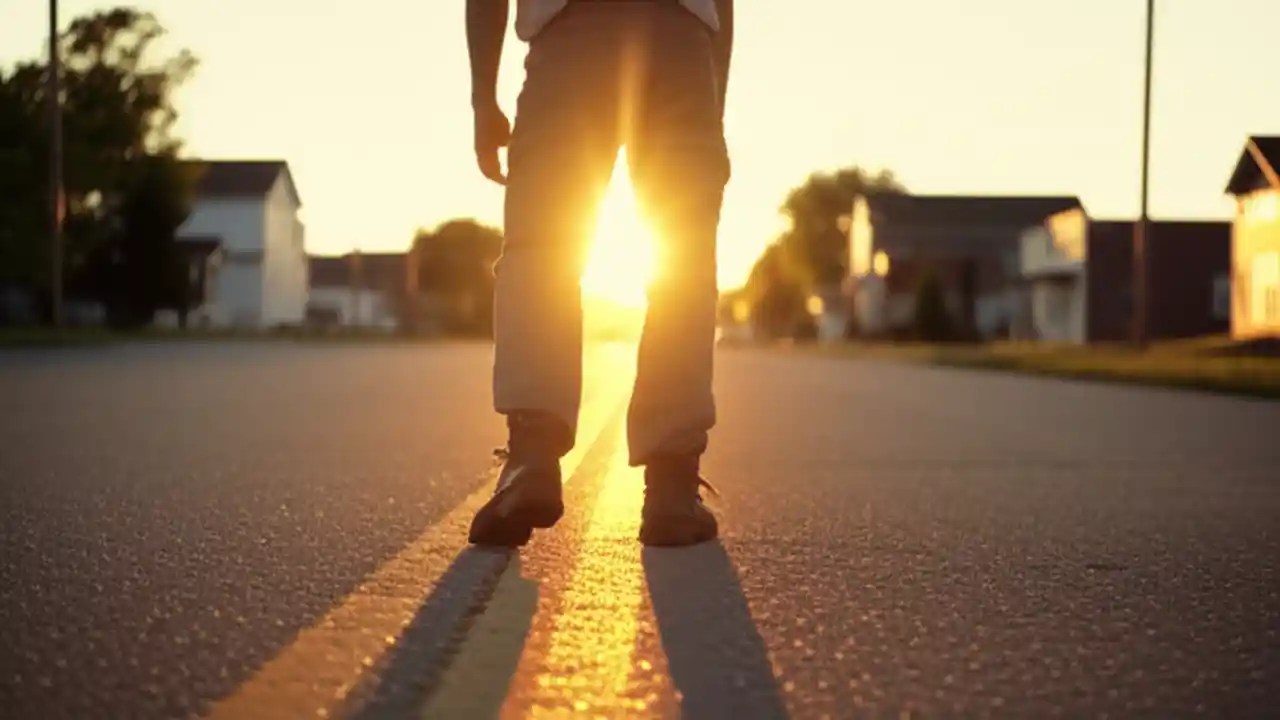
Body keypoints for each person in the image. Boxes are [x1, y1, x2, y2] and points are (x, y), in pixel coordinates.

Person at [465, 0, 734, 548]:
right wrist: (714, 100)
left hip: (569, 34)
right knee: (683, 255)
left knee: (543, 246)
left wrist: (482, 99)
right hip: (679, 38)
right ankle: (672, 485)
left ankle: (532, 457)